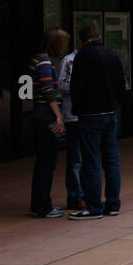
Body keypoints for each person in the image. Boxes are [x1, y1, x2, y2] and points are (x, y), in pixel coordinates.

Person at [69, 23, 127, 220]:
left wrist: (78, 110)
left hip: (90, 114)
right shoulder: (112, 55)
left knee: (91, 159)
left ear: (81, 39)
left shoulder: (82, 56)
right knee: (111, 159)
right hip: (110, 112)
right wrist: (116, 104)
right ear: (99, 36)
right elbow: (121, 84)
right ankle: (113, 204)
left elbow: (76, 86)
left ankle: (93, 206)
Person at [28, 28, 70, 218]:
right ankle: (43, 206)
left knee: (44, 162)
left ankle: (40, 204)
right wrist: (58, 116)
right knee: (47, 162)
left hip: (40, 116)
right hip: (46, 117)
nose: (64, 48)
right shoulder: (44, 62)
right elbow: (48, 91)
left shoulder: (37, 60)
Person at [56, 35, 86, 211]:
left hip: (89, 116)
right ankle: (75, 196)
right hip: (73, 115)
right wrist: (82, 86)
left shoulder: (92, 58)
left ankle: (86, 193)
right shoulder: (69, 60)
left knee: (87, 157)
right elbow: (61, 84)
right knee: (76, 159)